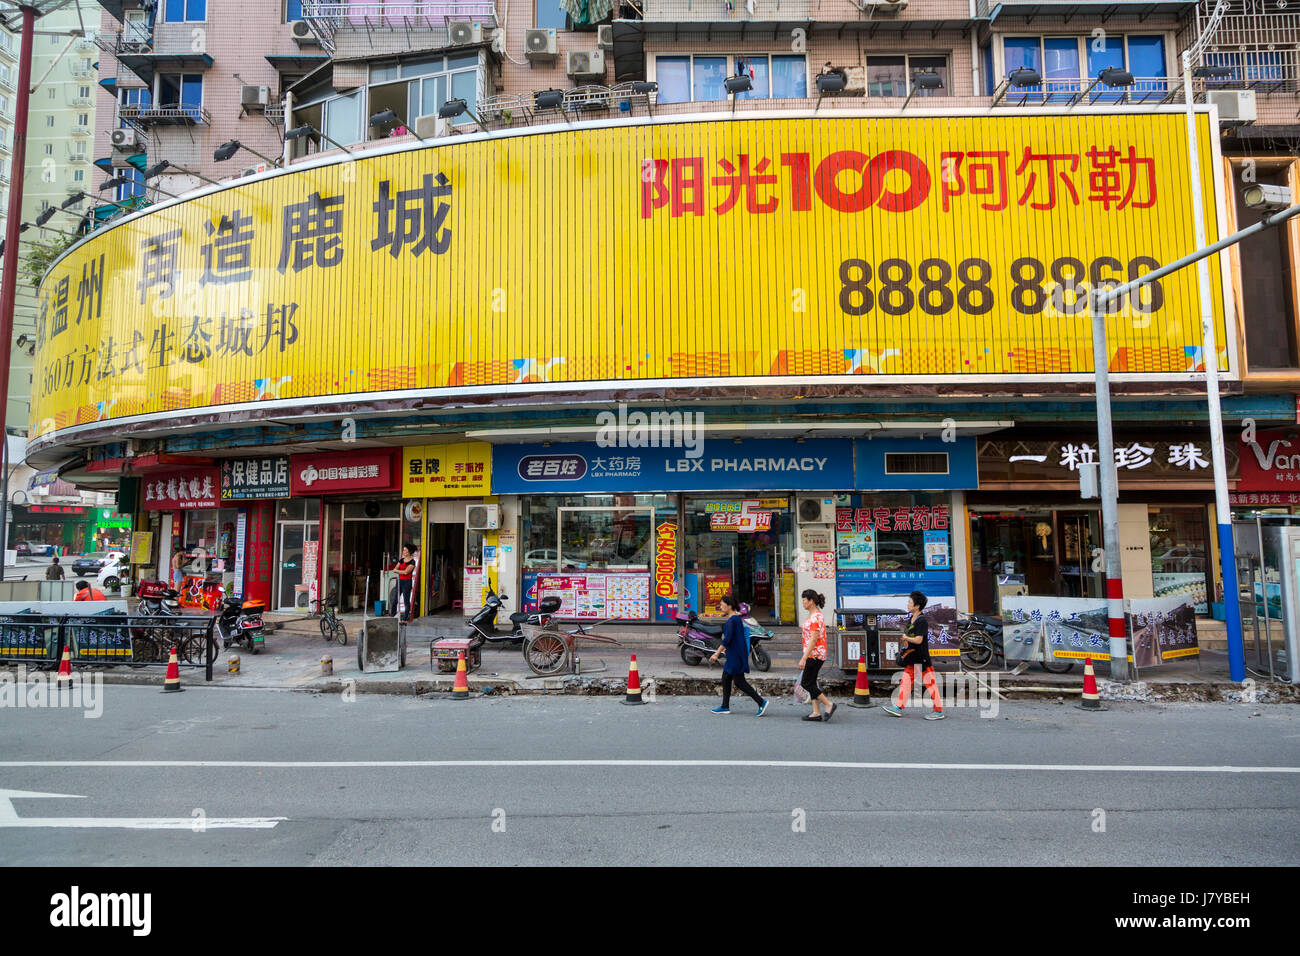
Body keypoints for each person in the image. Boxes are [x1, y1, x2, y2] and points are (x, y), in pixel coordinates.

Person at [882, 591, 945, 720]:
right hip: (912, 657)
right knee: (906, 682)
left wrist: (906, 638)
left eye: (910, 602)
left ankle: (938, 711)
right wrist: (905, 641)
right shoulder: (912, 619)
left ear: (917, 606)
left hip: (921, 659)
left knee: (930, 684)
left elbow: (918, 640)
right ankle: (898, 708)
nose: (908, 604)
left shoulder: (921, 620)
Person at [709, 594, 768, 716]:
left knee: (739, 682)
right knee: (726, 678)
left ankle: (761, 702)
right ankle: (725, 706)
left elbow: (727, 639)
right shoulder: (735, 618)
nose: (720, 606)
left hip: (735, 656)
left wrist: (717, 653)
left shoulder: (732, 620)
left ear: (729, 605)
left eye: (722, 604)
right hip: (734, 654)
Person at [797, 589, 836, 722]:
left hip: (814, 655)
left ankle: (828, 704)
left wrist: (804, 658)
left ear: (811, 601)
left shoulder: (815, 618)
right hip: (815, 654)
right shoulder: (815, 615)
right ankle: (816, 712)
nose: (803, 602)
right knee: (811, 682)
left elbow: (814, 639)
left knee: (806, 683)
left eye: (804, 600)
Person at [393, 545, 417, 622]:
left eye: (405, 550)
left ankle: (405, 618)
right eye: (403, 550)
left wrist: (399, 571)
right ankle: (392, 615)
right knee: (395, 599)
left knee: (406, 600)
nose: (404, 552)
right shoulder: (401, 560)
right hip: (399, 580)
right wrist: (402, 572)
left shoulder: (412, 561)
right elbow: (394, 569)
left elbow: (406, 572)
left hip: (407, 582)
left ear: (409, 551)